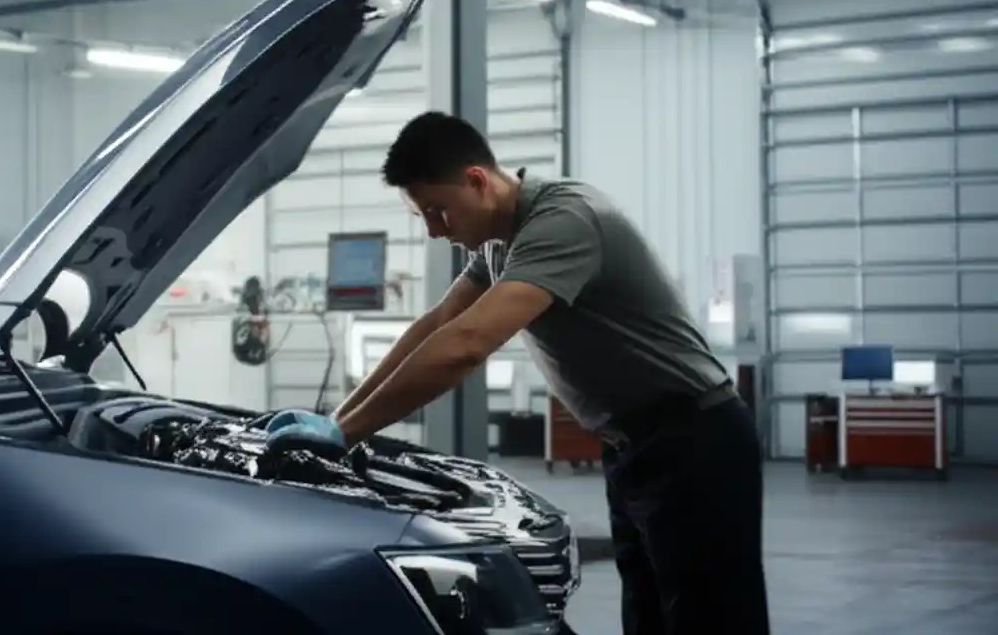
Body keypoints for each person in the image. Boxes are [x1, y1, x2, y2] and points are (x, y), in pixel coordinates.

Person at [265, 111, 769, 635]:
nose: (436, 231)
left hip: (695, 442)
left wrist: (348, 434)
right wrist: (336, 418)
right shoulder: (499, 242)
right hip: (635, 448)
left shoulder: (563, 221)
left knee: (712, 620)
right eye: (424, 218)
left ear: (477, 182)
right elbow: (438, 323)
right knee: (648, 618)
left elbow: (466, 343)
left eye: (439, 211)